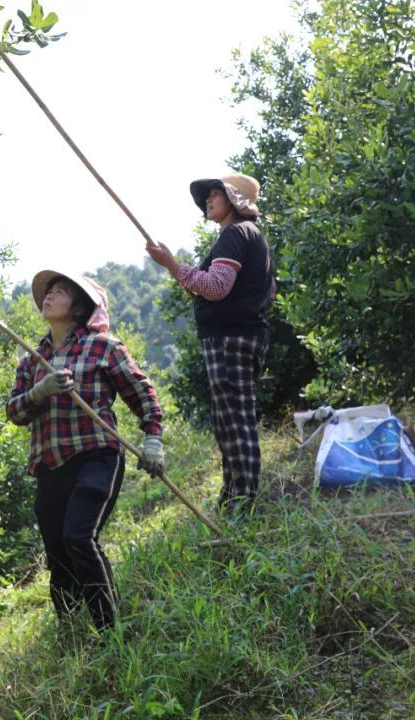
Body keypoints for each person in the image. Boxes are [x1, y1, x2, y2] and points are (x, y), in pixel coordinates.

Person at [6, 270, 164, 633]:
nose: (48, 297)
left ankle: (110, 630)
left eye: (59, 292)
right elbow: (14, 412)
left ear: (78, 308)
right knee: (59, 556)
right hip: (49, 465)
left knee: (78, 537)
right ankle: (72, 633)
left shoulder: (104, 346)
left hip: (96, 455)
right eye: (48, 292)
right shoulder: (32, 359)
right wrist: (40, 391)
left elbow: (143, 395)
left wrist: (152, 439)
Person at [145, 172, 274, 517]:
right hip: (243, 335)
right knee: (230, 420)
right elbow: (219, 287)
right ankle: (233, 500)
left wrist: (171, 264)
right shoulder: (251, 238)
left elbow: (216, 288)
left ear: (234, 201)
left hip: (231, 338)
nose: (208, 200)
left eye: (216, 194)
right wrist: (178, 270)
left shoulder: (235, 235)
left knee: (235, 421)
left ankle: (242, 503)